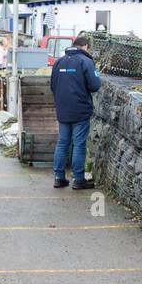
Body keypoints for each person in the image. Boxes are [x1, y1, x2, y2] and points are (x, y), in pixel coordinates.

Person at [49, 34, 100, 189]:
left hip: (63, 109)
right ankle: (78, 179)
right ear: (85, 47)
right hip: (80, 109)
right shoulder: (86, 61)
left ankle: (59, 177)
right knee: (79, 144)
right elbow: (95, 85)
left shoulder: (59, 62)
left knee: (62, 142)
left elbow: (52, 85)